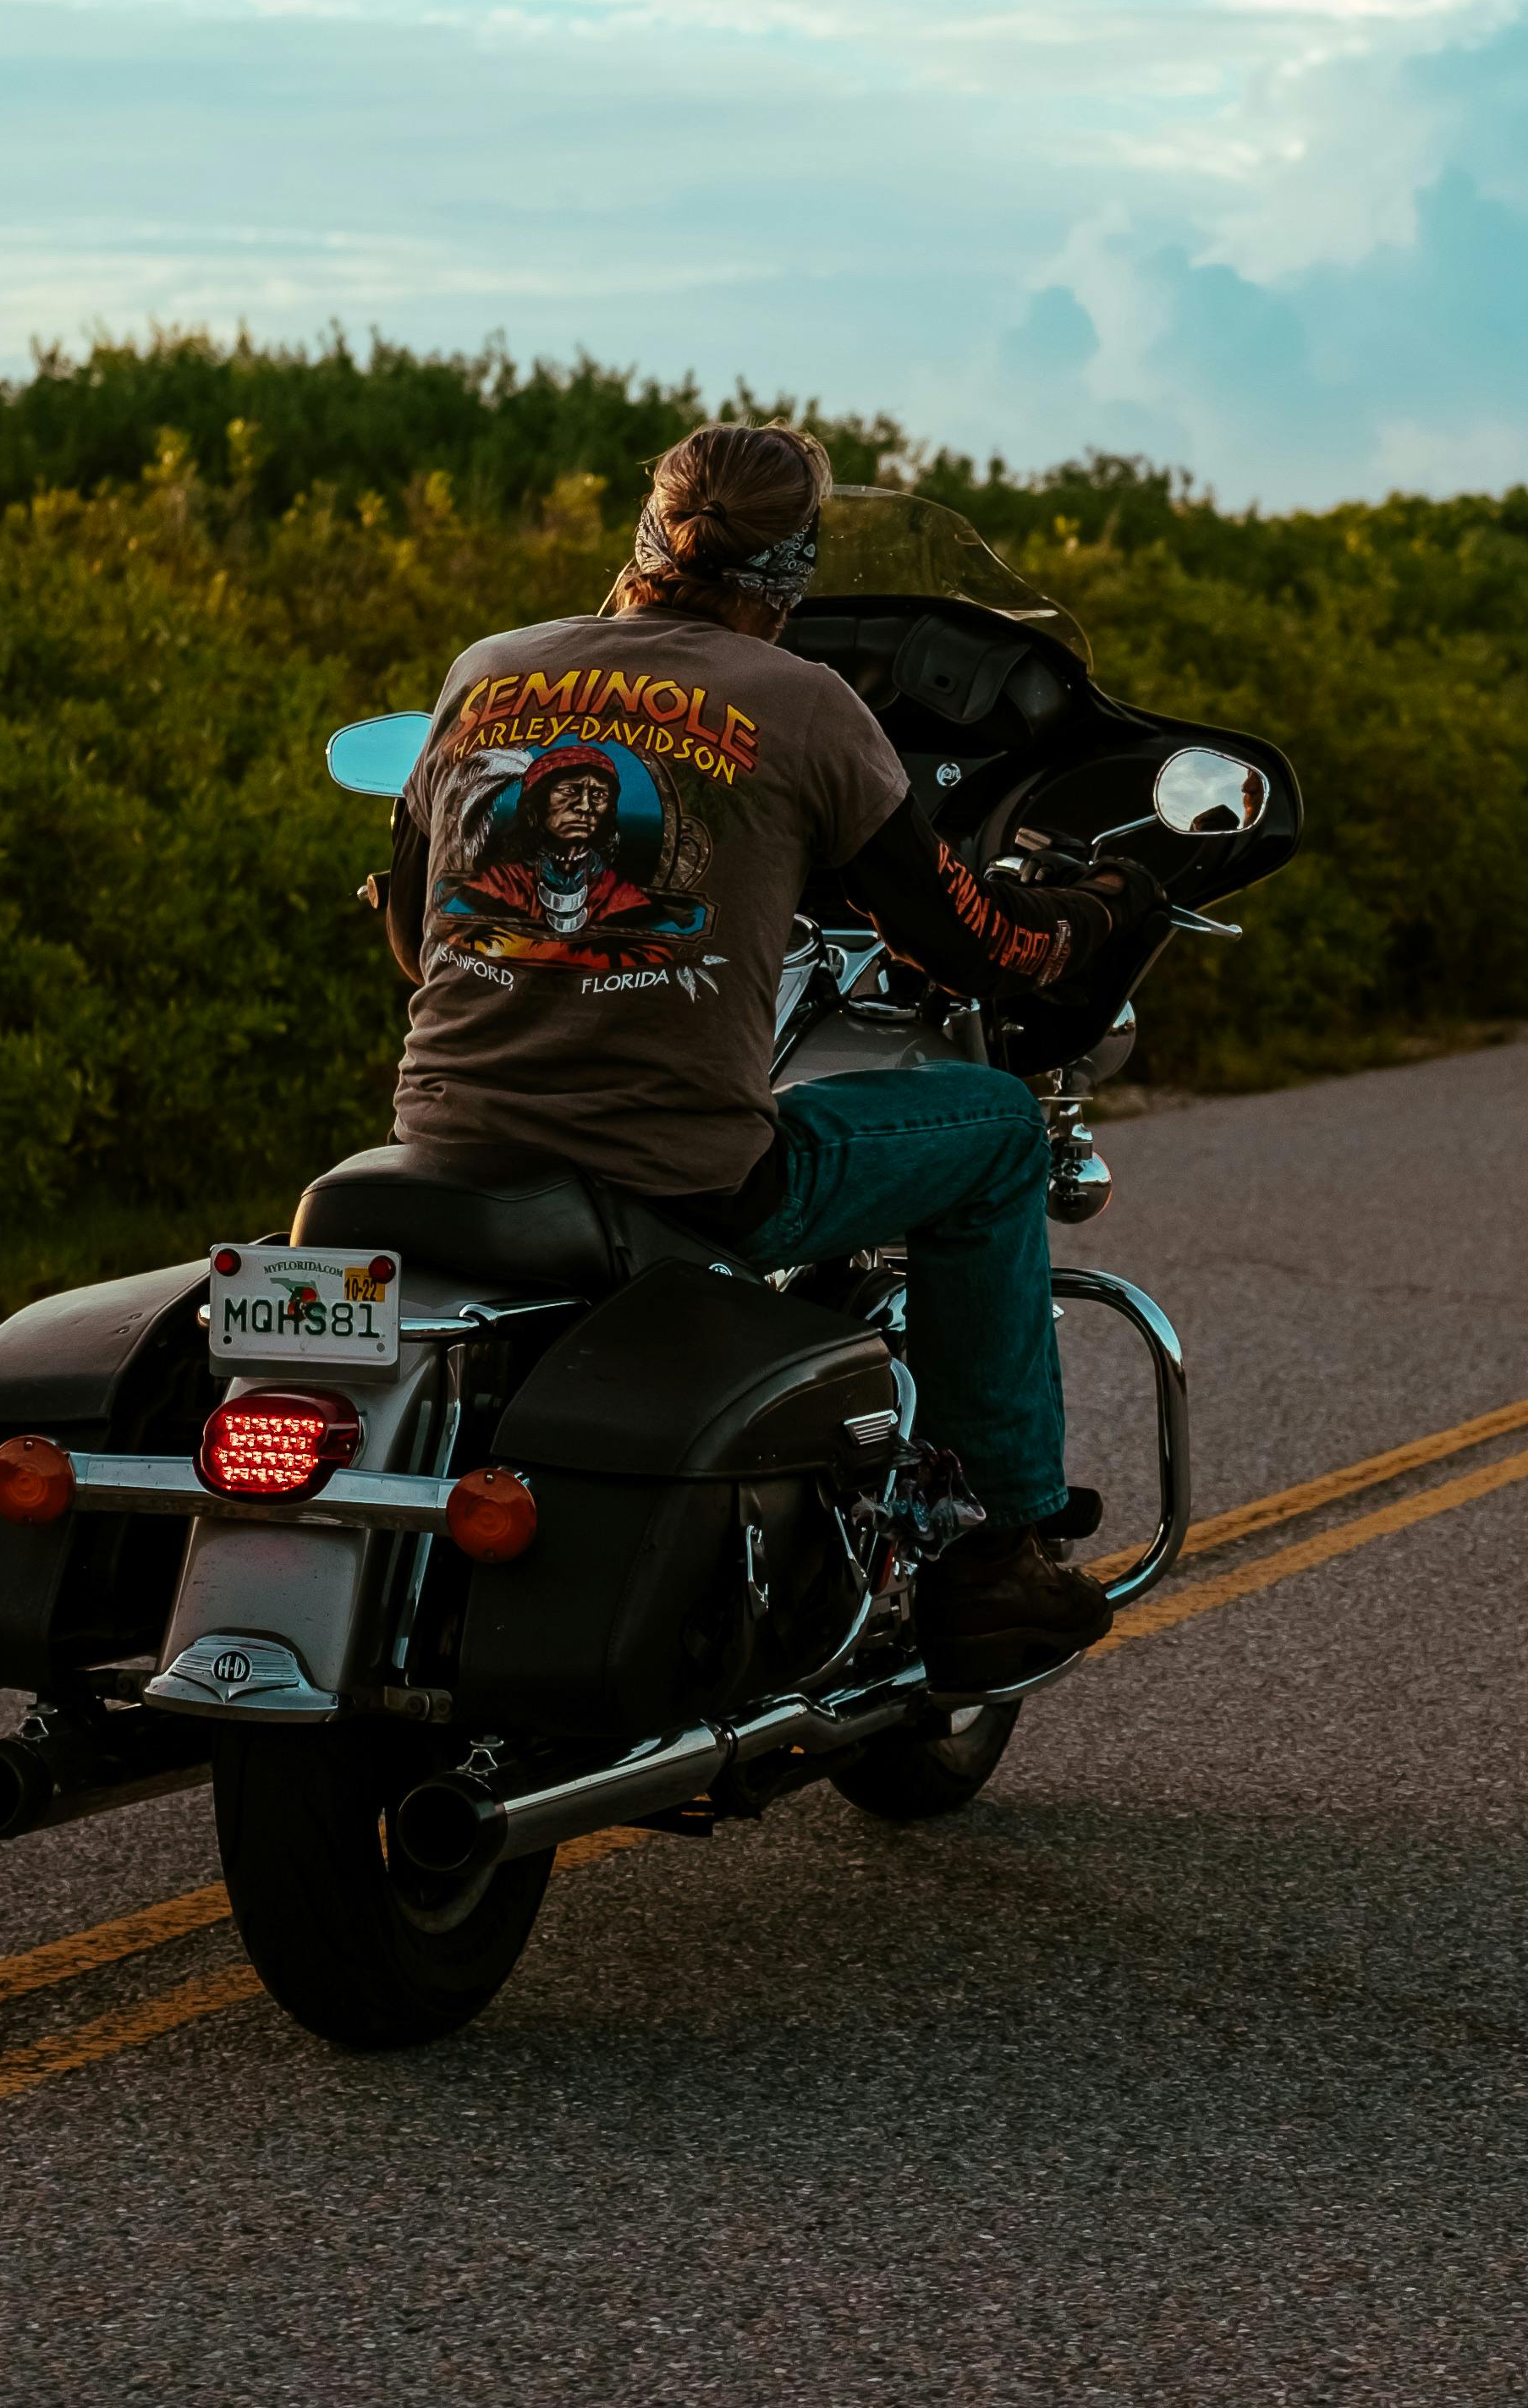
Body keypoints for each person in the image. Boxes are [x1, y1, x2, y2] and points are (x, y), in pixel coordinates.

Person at [377, 421, 1130, 1678]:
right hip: (680, 1172)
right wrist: (1083, 922)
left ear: (646, 534)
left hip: (448, 1145)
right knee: (994, 1132)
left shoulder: (486, 671)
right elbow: (967, 942)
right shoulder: (800, 699)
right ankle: (996, 1557)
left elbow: (414, 935)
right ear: (794, 572)